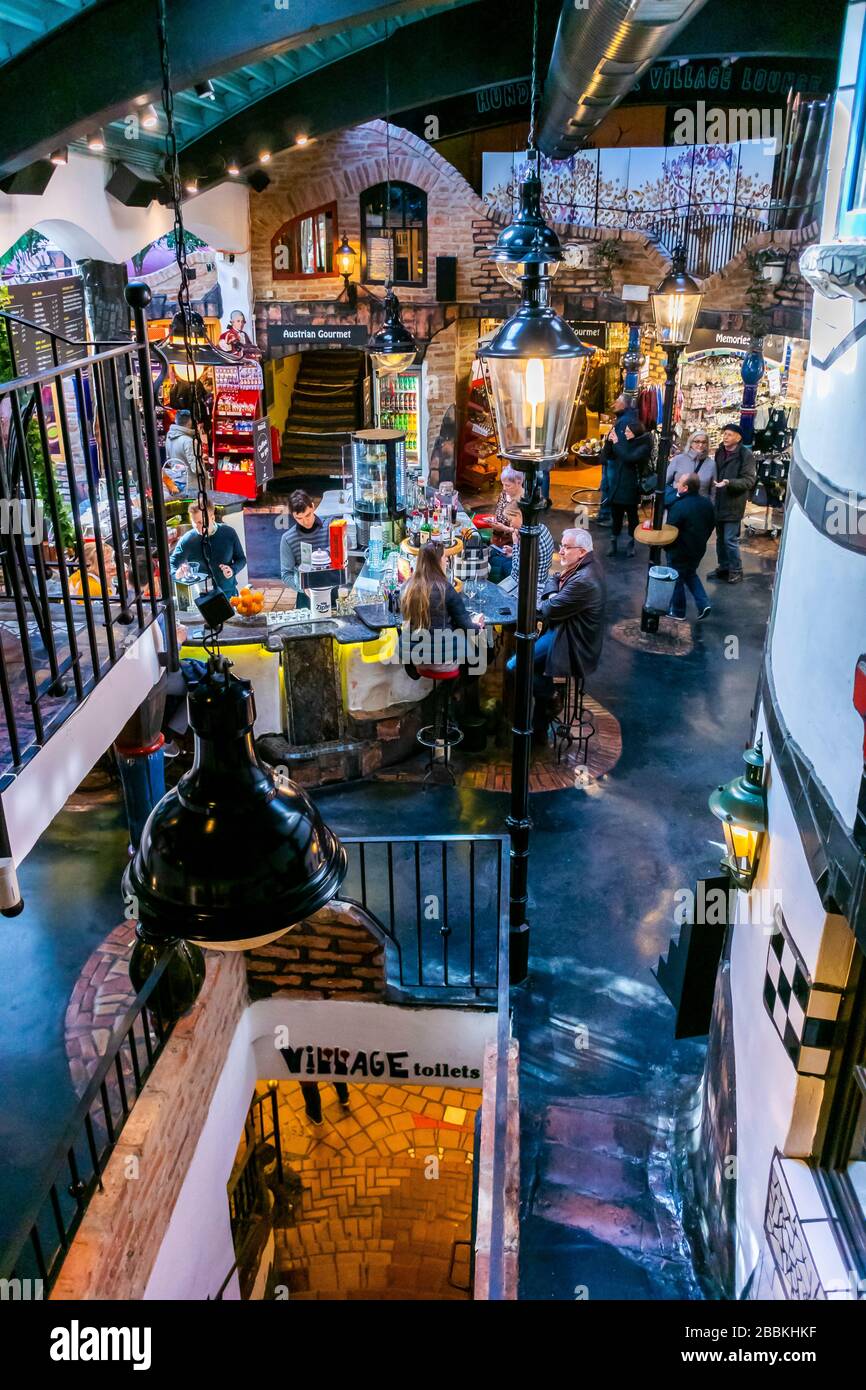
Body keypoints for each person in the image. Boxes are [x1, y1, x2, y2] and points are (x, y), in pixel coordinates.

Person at [530, 527, 606, 736]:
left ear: (582, 551)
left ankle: (553, 696)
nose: (560, 552)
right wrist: (553, 594)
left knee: (515, 666)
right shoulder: (583, 566)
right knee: (533, 666)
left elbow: (547, 609)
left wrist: (551, 597)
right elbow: (553, 578)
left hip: (572, 641)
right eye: (561, 546)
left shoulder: (583, 579)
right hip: (566, 629)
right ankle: (539, 725)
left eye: (566, 547)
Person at [400, 541, 484, 672]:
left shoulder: (406, 588)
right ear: (438, 561)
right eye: (445, 557)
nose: (447, 561)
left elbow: (405, 622)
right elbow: (467, 627)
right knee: (479, 644)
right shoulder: (446, 589)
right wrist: (478, 626)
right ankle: (464, 685)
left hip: (415, 656)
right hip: (443, 658)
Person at [709, 423, 757, 585]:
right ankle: (724, 567)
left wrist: (729, 482)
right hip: (719, 502)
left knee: (730, 539)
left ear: (738, 437)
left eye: (729, 434)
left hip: (733, 503)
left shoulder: (746, 455)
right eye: (724, 434)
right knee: (720, 539)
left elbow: (749, 480)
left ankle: (736, 570)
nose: (725, 437)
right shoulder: (720, 452)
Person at [665, 473, 715, 621]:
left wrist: (667, 547)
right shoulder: (707, 504)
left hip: (679, 550)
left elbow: (670, 530)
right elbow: (712, 524)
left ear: (685, 488)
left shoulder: (679, 506)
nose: (676, 485)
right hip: (698, 548)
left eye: (679, 483)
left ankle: (678, 611)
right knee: (690, 574)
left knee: (677, 578)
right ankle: (703, 603)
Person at [170, 501, 246, 598]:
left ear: (212, 518)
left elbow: (241, 559)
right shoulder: (188, 539)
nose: (198, 526)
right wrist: (176, 574)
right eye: (194, 522)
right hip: (201, 597)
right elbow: (171, 563)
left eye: (201, 522)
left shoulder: (229, 533)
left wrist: (232, 570)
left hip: (228, 594)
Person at [608, 420, 652, 558]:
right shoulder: (625, 442)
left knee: (632, 517)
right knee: (616, 516)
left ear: (635, 433)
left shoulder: (643, 446)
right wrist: (609, 442)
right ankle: (613, 541)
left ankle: (630, 543)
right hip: (618, 485)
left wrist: (616, 443)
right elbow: (610, 455)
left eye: (628, 431)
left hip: (631, 487)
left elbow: (628, 457)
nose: (625, 433)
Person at [279, 490, 329, 610]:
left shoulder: (330, 526)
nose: (305, 521)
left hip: (331, 589)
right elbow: (286, 574)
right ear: (293, 516)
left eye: (308, 515)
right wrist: (302, 587)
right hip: (306, 595)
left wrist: (326, 553)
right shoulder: (288, 539)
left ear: (312, 506)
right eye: (299, 518)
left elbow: (347, 542)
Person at [502, 502, 554, 604]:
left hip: (529, 586)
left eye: (510, 520)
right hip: (542, 578)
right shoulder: (542, 528)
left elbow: (517, 568)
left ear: (519, 515)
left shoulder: (528, 537)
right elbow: (534, 557)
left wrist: (516, 543)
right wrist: (514, 552)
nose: (511, 524)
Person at [598, 394, 637, 525]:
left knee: (609, 487)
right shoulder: (625, 419)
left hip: (614, 461)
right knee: (608, 486)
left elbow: (620, 443)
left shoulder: (625, 421)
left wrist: (609, 453)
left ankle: (607, 516)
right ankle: (607, 514)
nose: (614, 404)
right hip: (613, 460)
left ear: (624, 404)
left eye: (617, 401)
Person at [487, 465, 525, 582]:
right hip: (497, 539)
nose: (504, 488)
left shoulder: (524, 502)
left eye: (508, 485)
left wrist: (504, 528)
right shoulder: (503, 494)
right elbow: (499, 512)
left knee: (504, 574)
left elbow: (522, 530)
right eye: (502, 484)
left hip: (512, 544)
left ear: (519, 482)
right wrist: (494, 521)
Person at [667, 429, 714, 497]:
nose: (700, 445)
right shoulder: (678, 459)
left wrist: (710, 506)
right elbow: (666, 482)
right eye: (697, 441)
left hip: (699, 505)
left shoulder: (711, 464)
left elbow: (713, 491)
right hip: (677, 503)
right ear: (691, 443)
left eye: (704, 442)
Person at [164, 409, 197, 496]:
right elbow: (196, 468)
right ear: (189, 422)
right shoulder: (188, 441)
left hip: (175, 481)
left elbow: (169, 460)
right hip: (190, 484)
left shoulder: (169, 436)